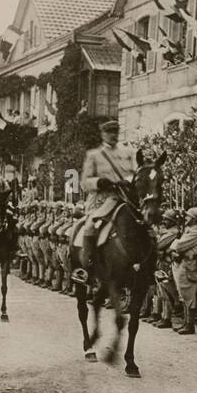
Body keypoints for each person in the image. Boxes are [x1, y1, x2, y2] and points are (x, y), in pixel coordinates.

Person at [72, 120, 138, 283]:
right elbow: (84, 183)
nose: (113, 136)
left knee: (145, 226)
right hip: (101, 202)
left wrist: (129, 181)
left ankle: (148, 266)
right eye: (109, 132)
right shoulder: (94, 155)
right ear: (103, 134)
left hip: (124, 199)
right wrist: (99, 182)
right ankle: (87, 266)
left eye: (115, 132)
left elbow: (137, 174)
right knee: (89, 227)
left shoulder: (129, 153)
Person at [170, 206, 197, 334]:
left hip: (189, 265)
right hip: (183, 263)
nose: (185, 218)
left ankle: (190, 324)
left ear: (194, 218)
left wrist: (176, 246)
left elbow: (178, 245)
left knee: (188, 294)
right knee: (183, 294)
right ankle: (186, 322)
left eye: (188, 216)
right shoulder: (189, 230)